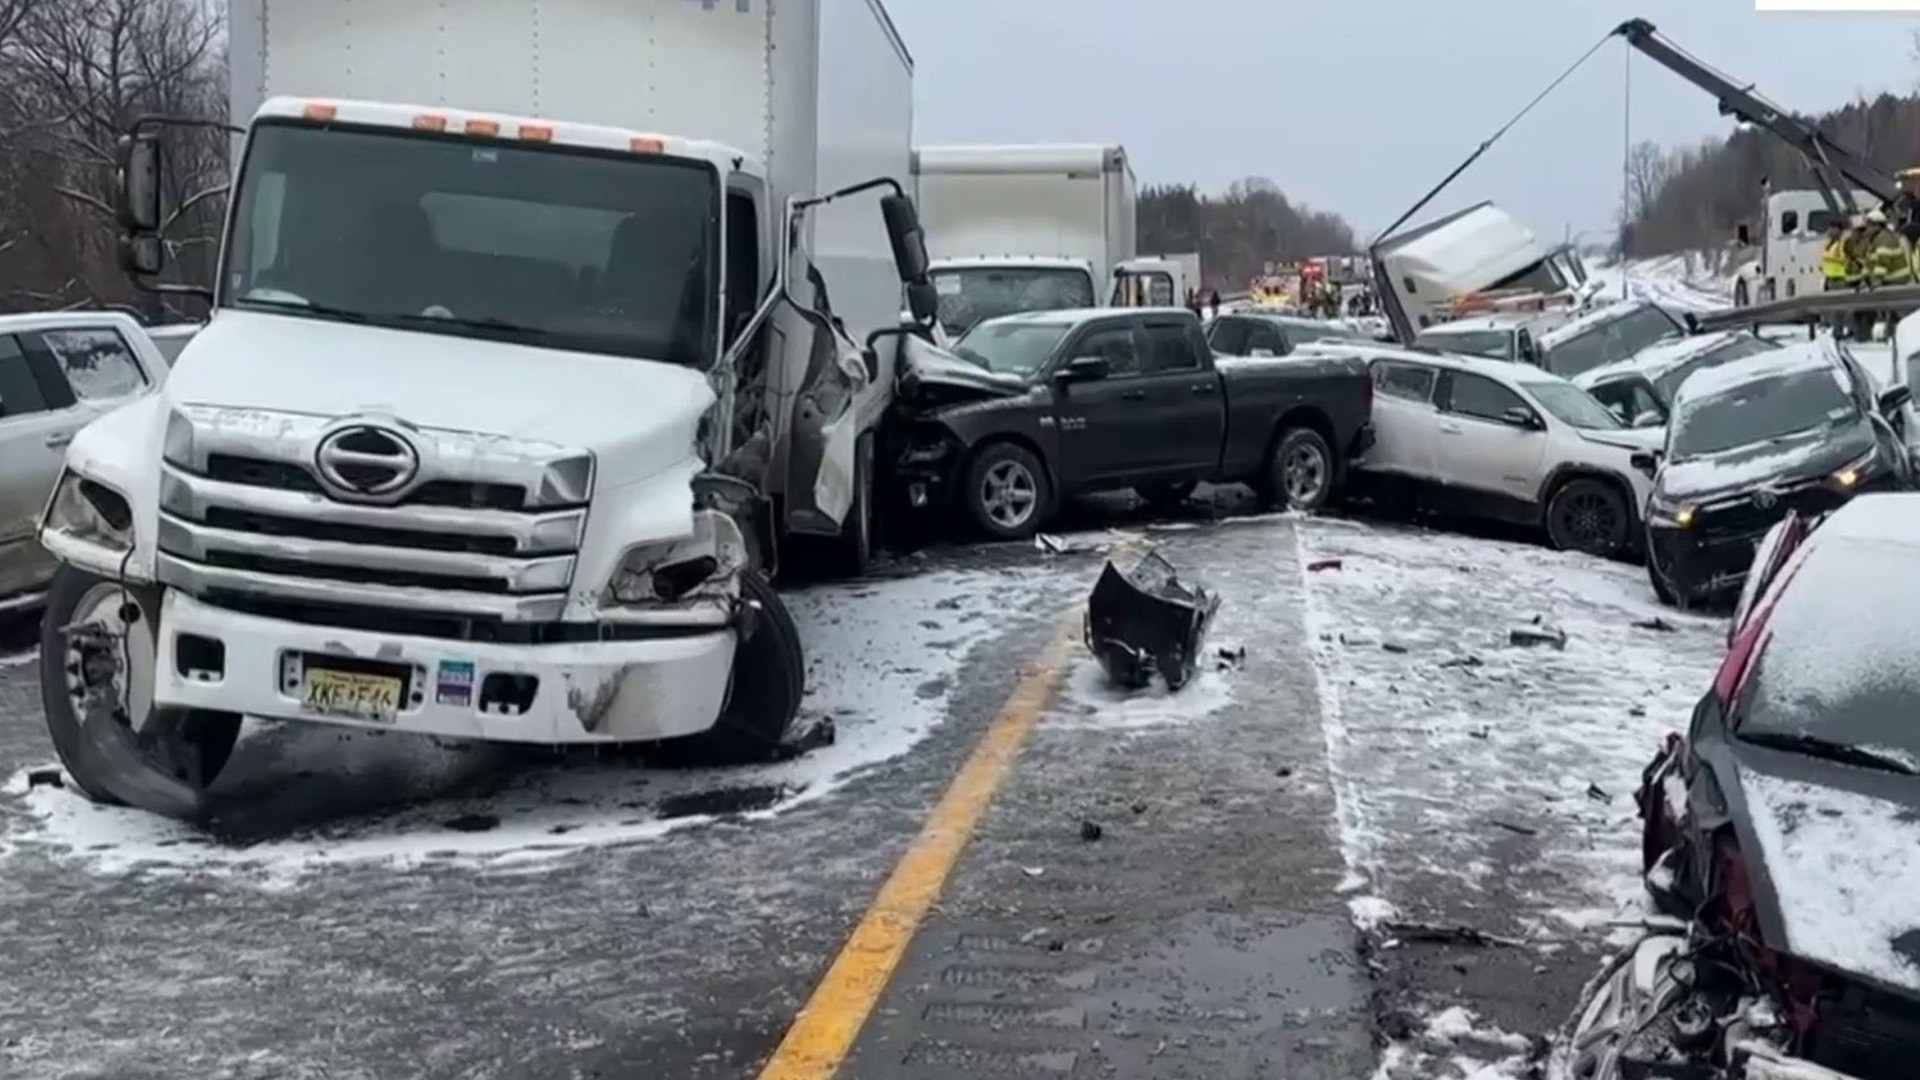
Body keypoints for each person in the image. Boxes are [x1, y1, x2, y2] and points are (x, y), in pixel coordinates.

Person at [1821, 218, 1853, 291]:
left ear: (1839, 230)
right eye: (1830, 229)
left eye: (1833, 229)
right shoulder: (1828, 244)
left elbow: (1845, 259)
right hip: (1829, 278)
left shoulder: (1842, 243)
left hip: (1840, 278)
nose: (1830, 231)